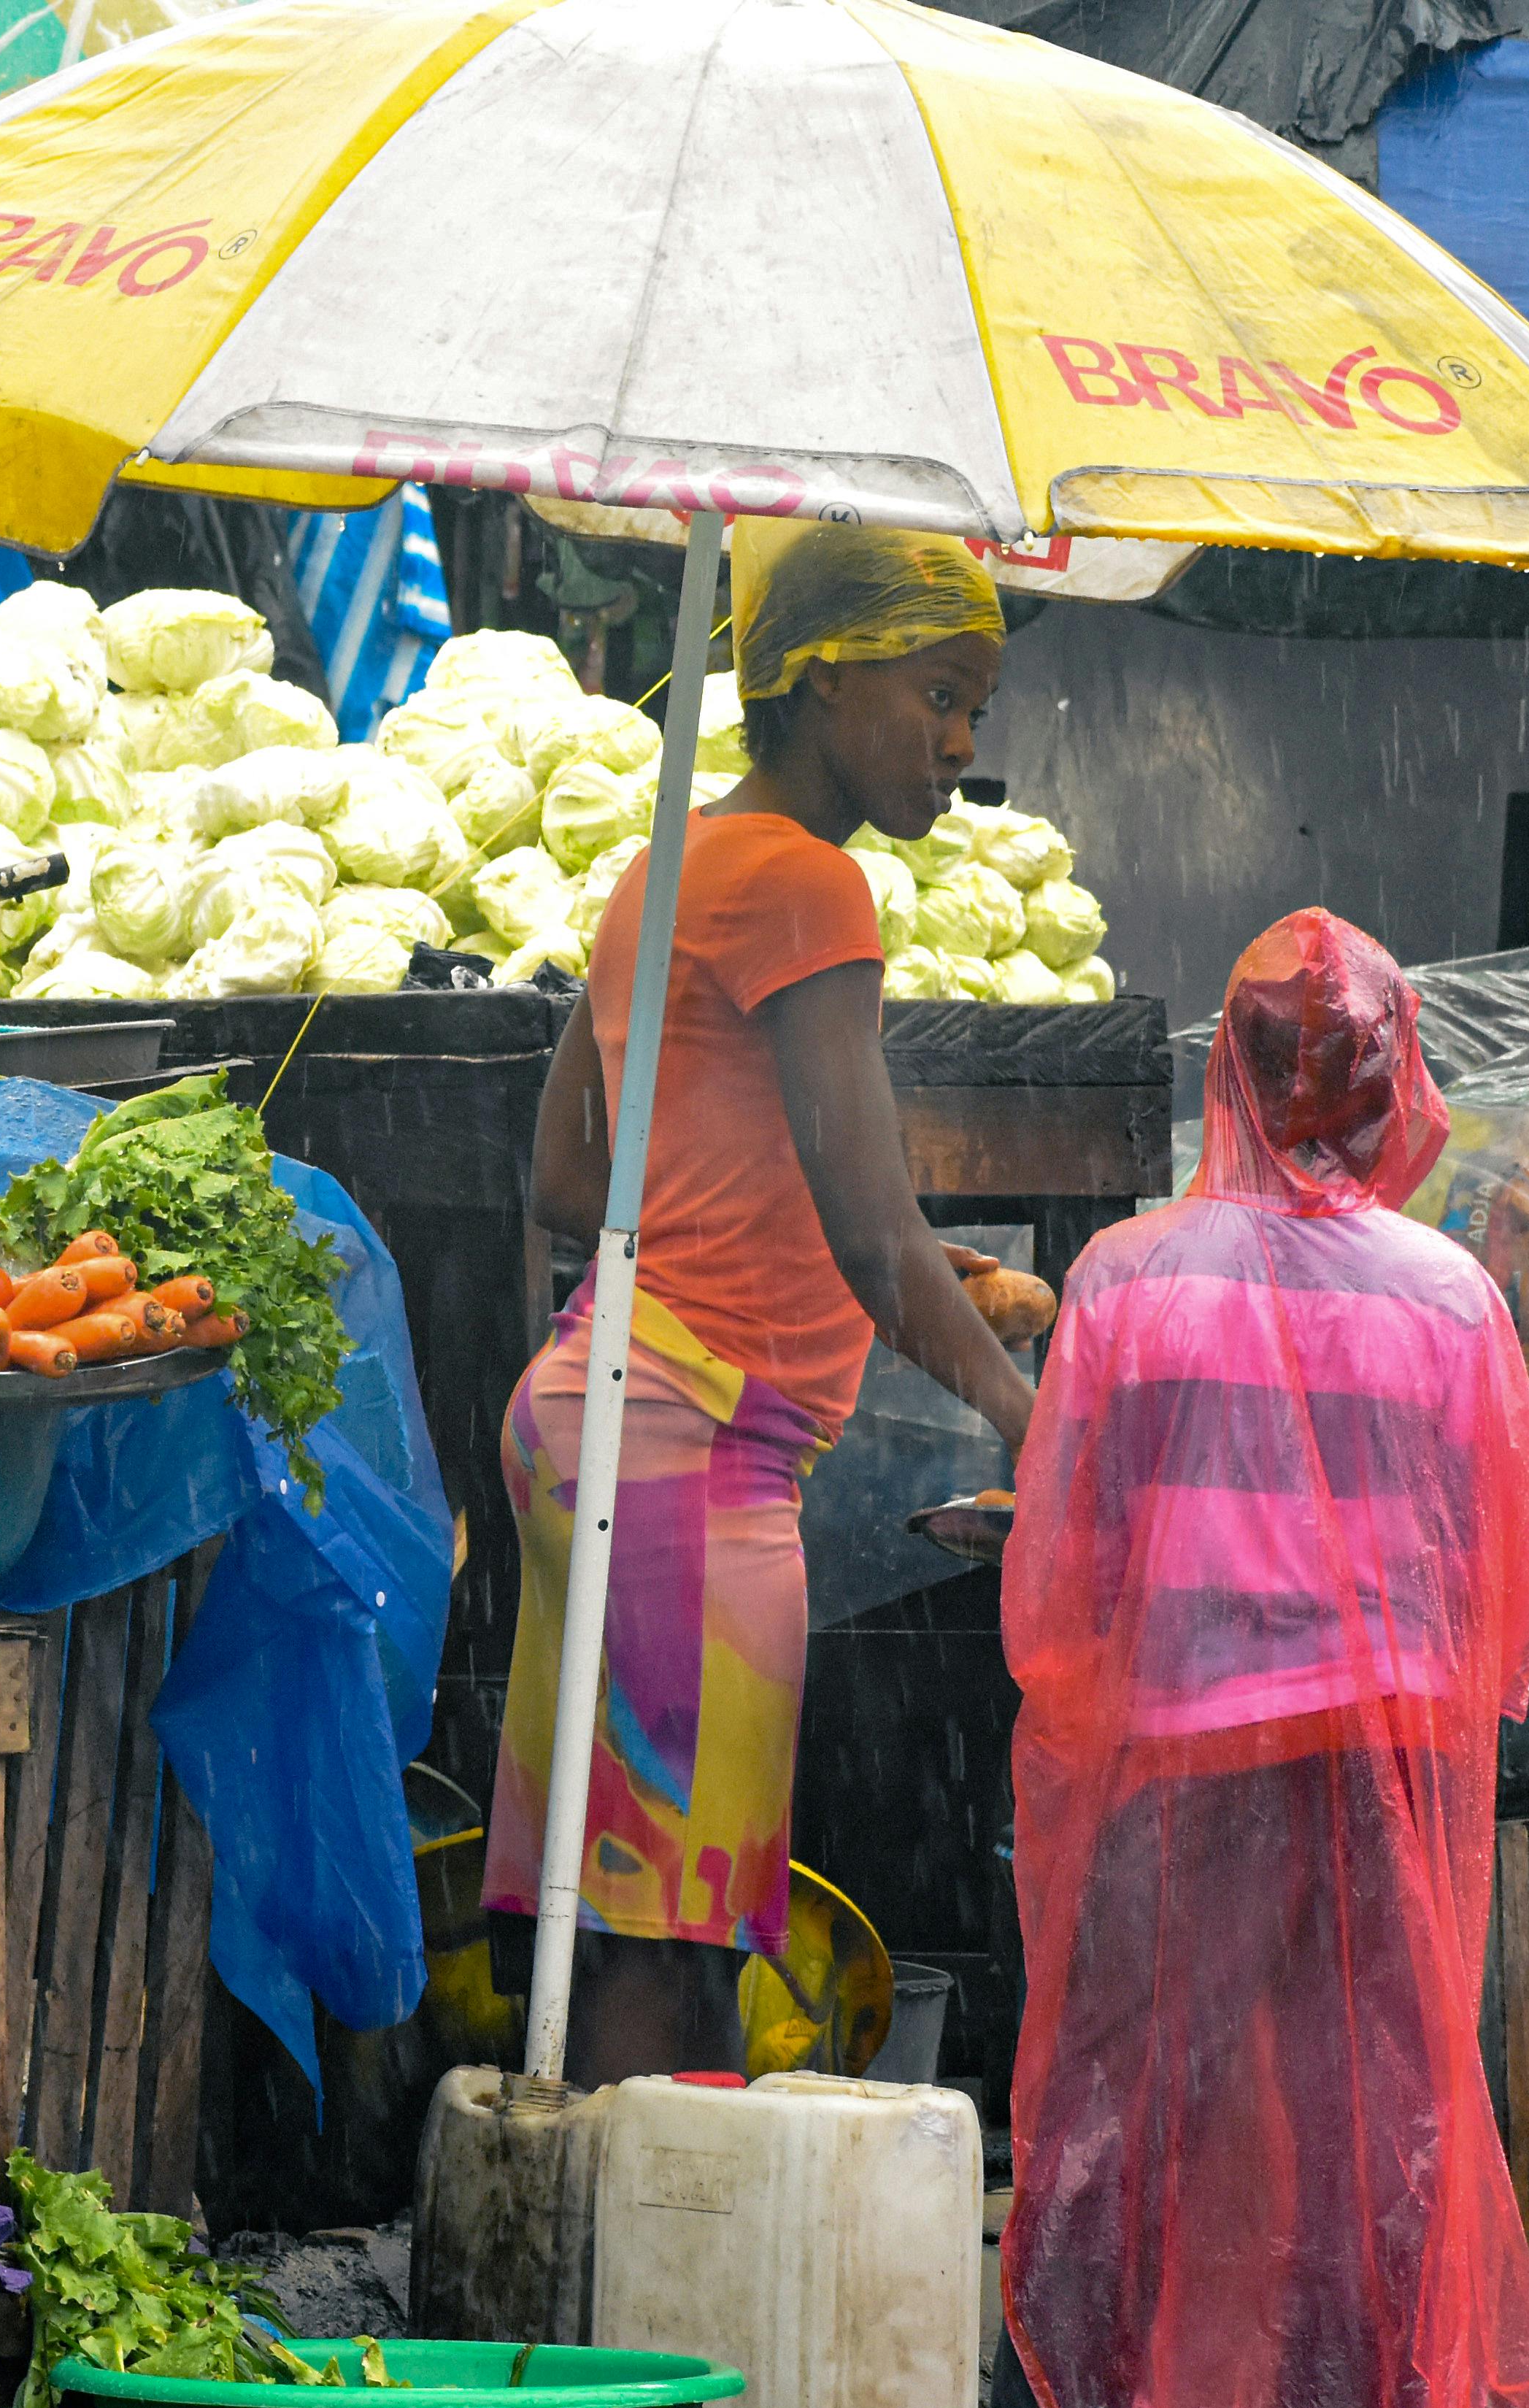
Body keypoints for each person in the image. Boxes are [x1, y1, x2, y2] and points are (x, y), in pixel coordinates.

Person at [919, 909, 1529, 2408]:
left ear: (1232, 1071)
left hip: (1179, 1775)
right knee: (1371, 2124)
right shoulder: (1454, 1301)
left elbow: (1061, 1575)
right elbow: (1503, 1595)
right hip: (1377, 1779)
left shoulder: (1128, 1276)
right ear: (1390, 1086)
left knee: (1114, 2118)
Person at [486, 523, 1039, 2085]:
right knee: (682, 1938)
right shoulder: (810, 887)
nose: (959, 744)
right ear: (817, 675)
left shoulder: (660, 865)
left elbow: (565, 1178)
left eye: (976, 708)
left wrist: (941, 1280)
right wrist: (1030, 1417)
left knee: (634, 1923)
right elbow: (872, 1232)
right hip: (691, 1454)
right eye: (938, 694)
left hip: (595, 1414)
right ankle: (650, 2310)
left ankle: (609, 2277)